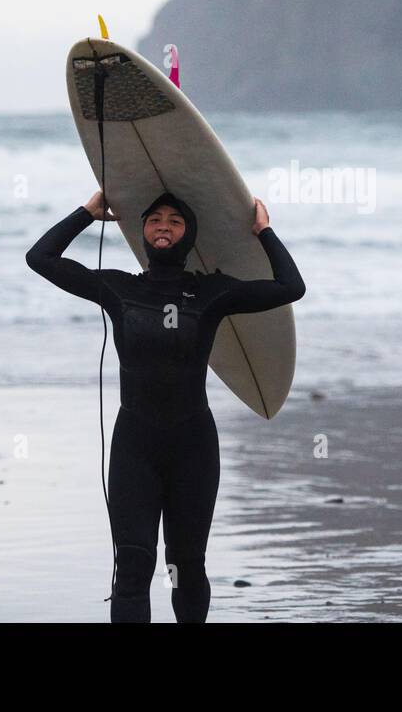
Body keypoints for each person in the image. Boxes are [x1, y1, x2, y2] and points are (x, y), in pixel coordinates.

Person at [25, 189, 305, 622]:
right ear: (141, 233)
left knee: (186, 566)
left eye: (175, 221)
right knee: (134, 565)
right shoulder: (118, 289)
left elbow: (291, 287)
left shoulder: (212, 293)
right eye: (155, 220)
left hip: (192, 447)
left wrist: (263, 231)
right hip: (135, 446)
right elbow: (40, 258)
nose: (163, 227)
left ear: (188, 236)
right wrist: (88, 212)